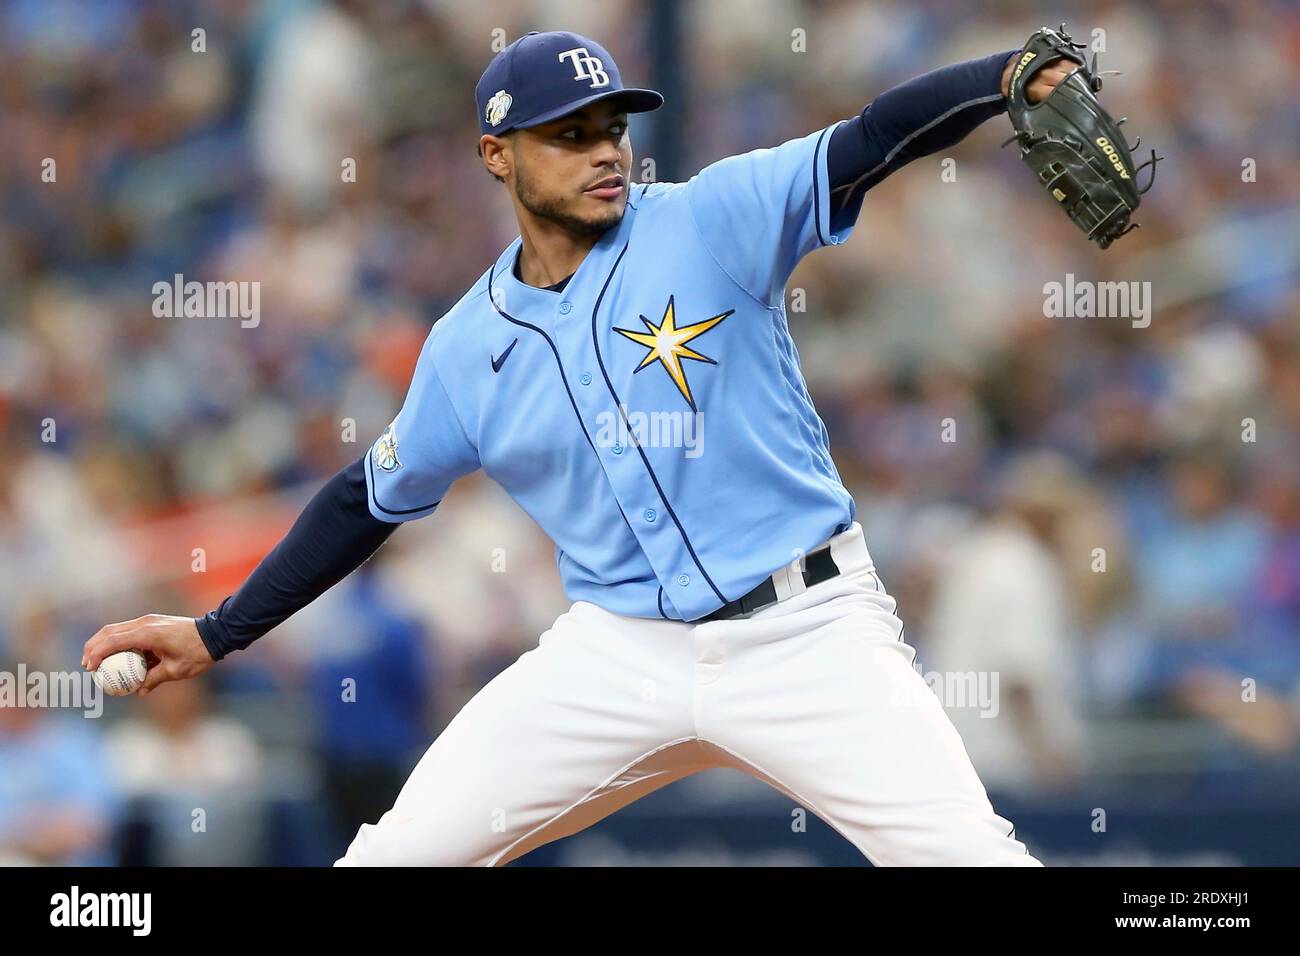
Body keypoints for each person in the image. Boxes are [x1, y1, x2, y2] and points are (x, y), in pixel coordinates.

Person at [85, 30, 1077, 866]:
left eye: (611, 127)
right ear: (497, 156)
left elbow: (869, 140)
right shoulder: (466, 346)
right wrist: (218, 631)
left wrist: (993, 79)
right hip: (619, 651)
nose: (605, 150)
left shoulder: (710, 216)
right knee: (389, 858)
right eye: (569, 134)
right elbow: (364, 500)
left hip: (807, 627)